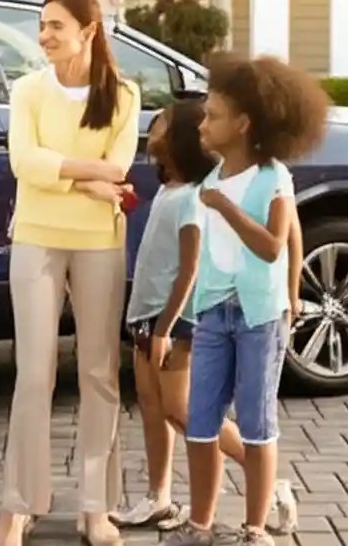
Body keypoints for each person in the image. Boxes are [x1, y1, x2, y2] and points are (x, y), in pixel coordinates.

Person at [0, 0, 141, 546]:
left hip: (102, 242)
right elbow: (22, 162)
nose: (44, 35)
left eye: (56, 25)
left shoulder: (124, 94)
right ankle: (17, 506)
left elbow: (119, 168)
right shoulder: (28, 89)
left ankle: (96, 508)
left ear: (89, 31)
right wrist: (86, 177)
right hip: (36, 239)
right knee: (34, 374)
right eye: (42, 25)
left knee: (100, 374)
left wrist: (70, 174)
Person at [165, 56, 329, 546]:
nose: (203, 122)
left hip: (259, 314)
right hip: (213, 312)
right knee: (200, 420)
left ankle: (255, 528)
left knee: (257, 422)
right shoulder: (210, 182)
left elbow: (274, 245)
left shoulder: (271, 178)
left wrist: (227, 209)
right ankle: (200, 523)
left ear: (243, 124)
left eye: (213, 115)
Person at [116, 101, 298, 534]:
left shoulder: (202, 196)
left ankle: (269, 485)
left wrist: (165, 326)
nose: (151, 127)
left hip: (175, 321)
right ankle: (159, 497)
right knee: (153, 407)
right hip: (145, 315)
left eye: (159, 122)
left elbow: (192, 266)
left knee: (184, 411)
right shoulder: (170, 188)